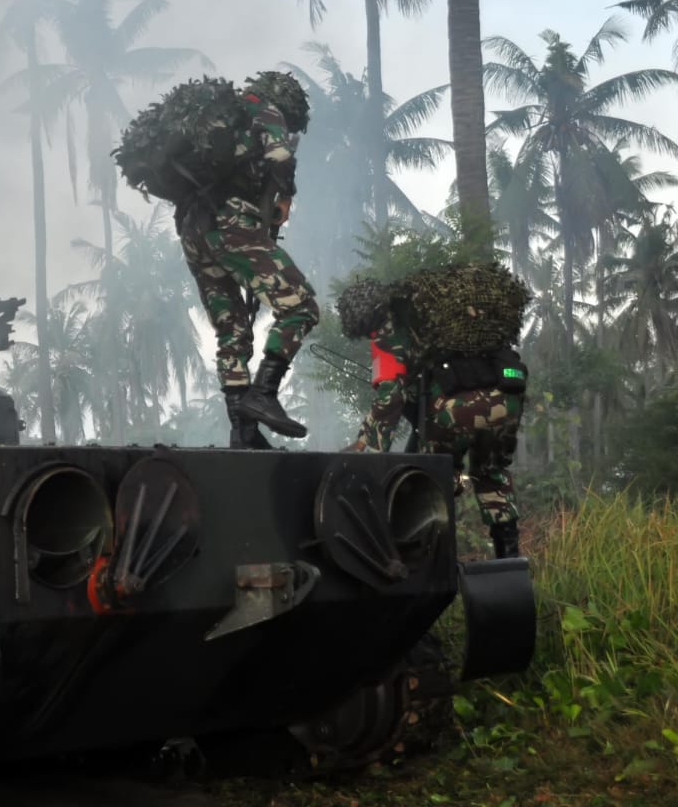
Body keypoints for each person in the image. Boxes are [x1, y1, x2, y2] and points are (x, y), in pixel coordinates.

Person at [175, 70, 320, 448]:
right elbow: (280, 155)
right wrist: (285, 194)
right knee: (301, 306)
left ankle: (244, 432)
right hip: (231, 225)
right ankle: (264, 393)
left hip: (194, 233)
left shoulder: (224, 124)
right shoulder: (264, 110)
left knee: (233, 330)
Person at [336, 277, 526, 561]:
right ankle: (509, 559)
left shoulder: (386, 335)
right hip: (508, 401)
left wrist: (366, 447)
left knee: (430, 477)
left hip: (456, 410)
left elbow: (390, 399)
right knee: (490, 473)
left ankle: (432, 561)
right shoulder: (440, 317)